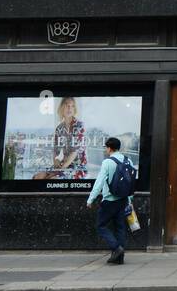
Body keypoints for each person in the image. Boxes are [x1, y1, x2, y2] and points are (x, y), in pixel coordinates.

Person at [86, 137, 133, 265]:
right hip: (123, 199)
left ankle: (116, 248)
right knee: (120, 227)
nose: (105, 150)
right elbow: (130, 181)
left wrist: (91, 199)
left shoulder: (107, 162)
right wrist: (129, 199)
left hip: (109, 200)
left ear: (110, 148)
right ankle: (119, 257)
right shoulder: (128, 160)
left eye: (106, 147)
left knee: (100, 226)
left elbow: (99, 182)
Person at [51, 96, 88, 178]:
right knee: (39, 177)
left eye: (72, 106)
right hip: (65, 164)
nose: (70, 108)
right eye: (67, 105)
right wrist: (56, 162)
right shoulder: (59, 128)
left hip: (78, 166)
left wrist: (60, 169)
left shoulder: (79, 126)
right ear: (62, 108)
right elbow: (56, 150)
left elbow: (74, 152)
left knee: (54, 179)